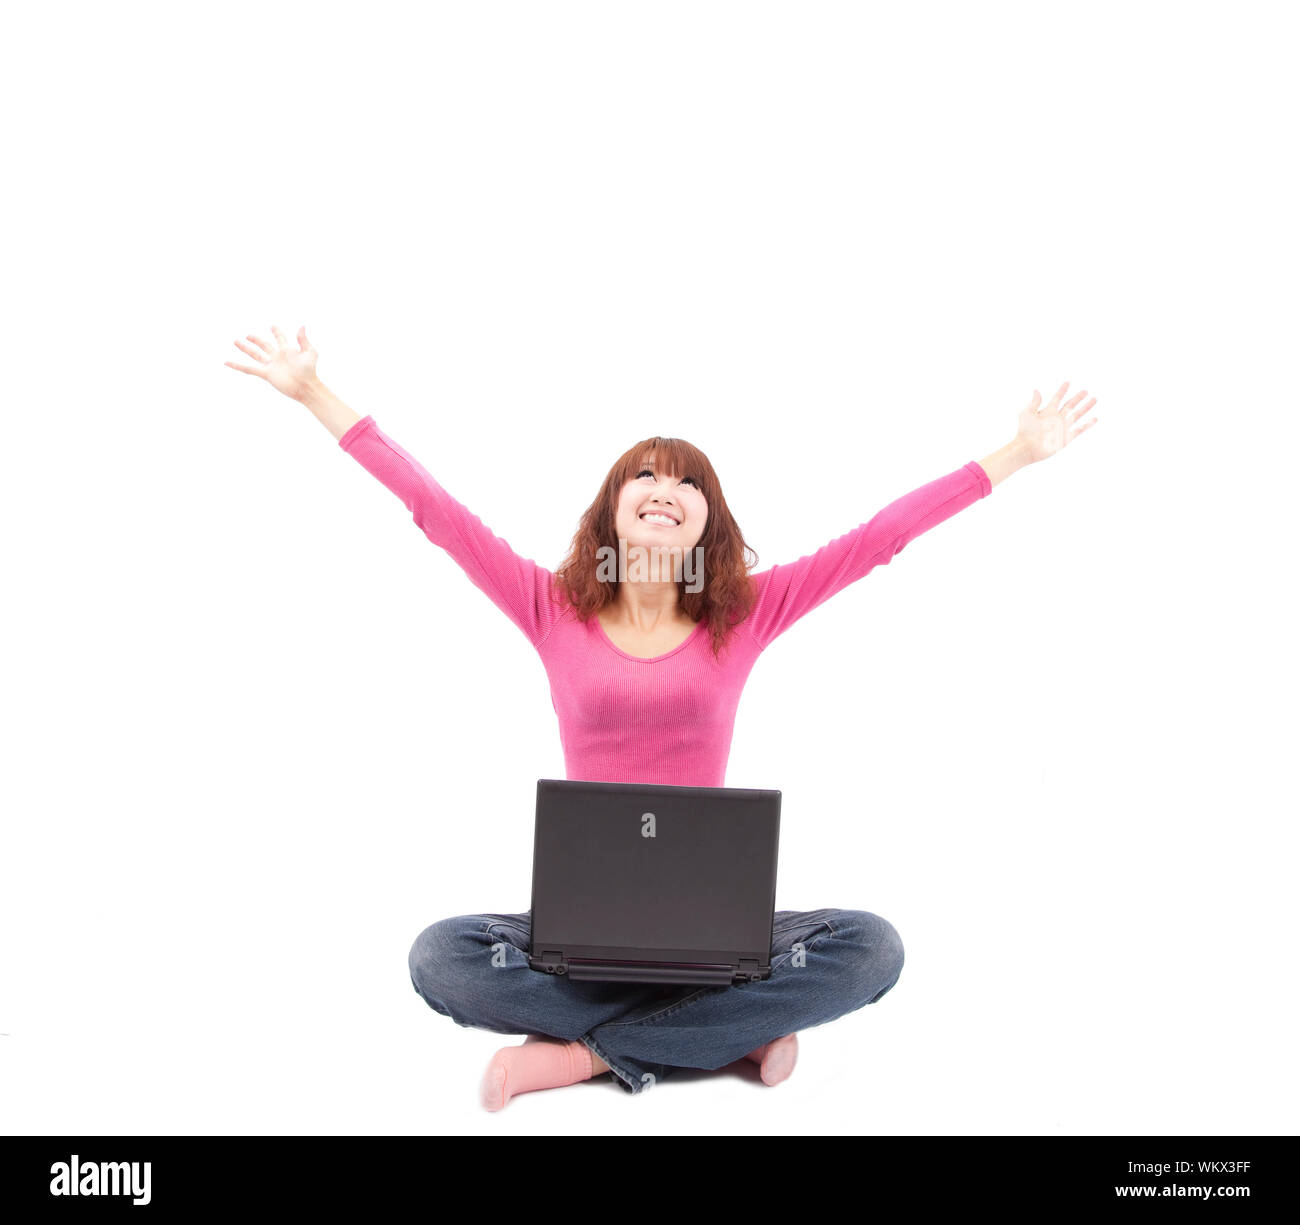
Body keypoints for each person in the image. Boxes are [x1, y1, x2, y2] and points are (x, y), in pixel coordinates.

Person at [226, 324, 1098, 1110]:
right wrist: (312, 393)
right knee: (438, 956)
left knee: (871, 948)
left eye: (687, 483)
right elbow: (435, 511)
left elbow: (879, 539)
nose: (663, 487)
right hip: (580, 933)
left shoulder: (746, 613)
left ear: (706, 524)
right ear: (612, 507)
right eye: (644, 473)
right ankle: (726, 1031)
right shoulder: (547, 604)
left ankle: (589, 1058)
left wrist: (1015, 453)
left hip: (715, 934)